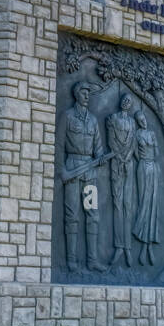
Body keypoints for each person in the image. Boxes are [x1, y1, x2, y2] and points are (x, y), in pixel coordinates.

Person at [58, 81, 107, 273]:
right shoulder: (67, 117)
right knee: (72, 216)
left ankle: (92, 260)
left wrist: (101, 158)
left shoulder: (93, 120)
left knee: (92, 215)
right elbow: (59, 145)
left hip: (90, 175)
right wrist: (62, 170)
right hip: (72, 172)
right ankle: (71, 262)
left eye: (89, 93)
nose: (87, 96)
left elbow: (99, 149)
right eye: (84, 92)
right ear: (76, 94)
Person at [105, 94, 137, 268]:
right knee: (117, 205)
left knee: (127, 205)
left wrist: (127, 158)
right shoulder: (112, 119)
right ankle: (118, 246)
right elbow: (111, 140)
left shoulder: (132, 122)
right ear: (120, 102)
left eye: (129, 101)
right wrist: (120, 157)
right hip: (116, 163)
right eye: (125, 100)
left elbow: (132, 143)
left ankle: (128, 248)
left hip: (128, 164)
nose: (126, 102)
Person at [131, 109, 161, 265]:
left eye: (144, 118)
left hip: (154, 168)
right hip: (143, 168)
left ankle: (147, 247)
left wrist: (151, 152)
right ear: (137, 121)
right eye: (140, 119)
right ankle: (140, 238)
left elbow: (156, 152)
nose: (143, 121)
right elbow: (135, 153)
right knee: (144, 203)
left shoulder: (152, 134)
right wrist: (143, 159)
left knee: (152, 207)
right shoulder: (136, 135)